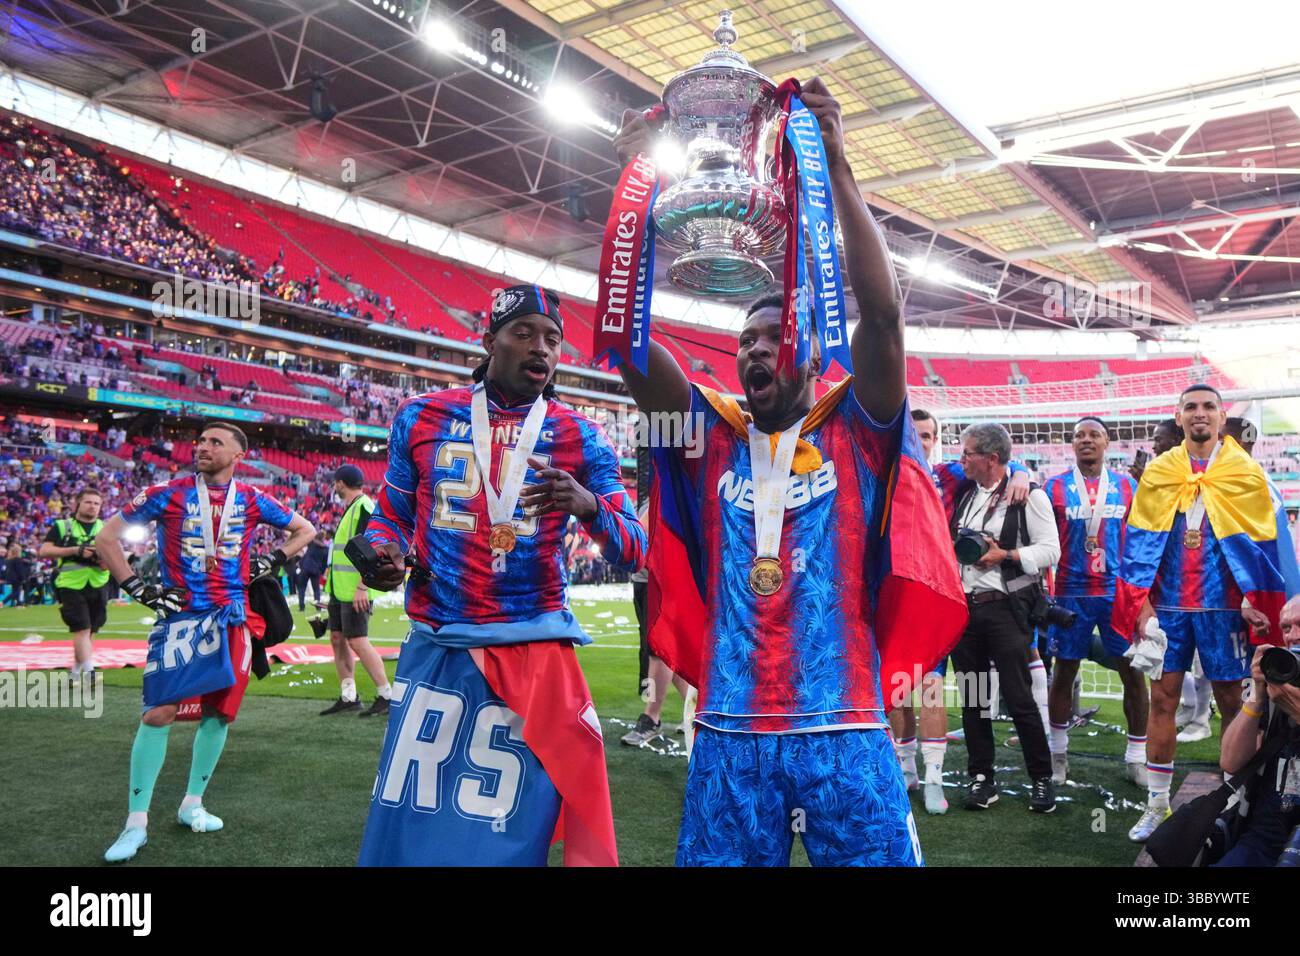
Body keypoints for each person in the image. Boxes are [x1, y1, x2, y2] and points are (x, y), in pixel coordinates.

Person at [614, 78, 966, 865]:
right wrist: (639, 187)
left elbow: (884, 319)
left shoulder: (858, 426)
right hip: (730, 732)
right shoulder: (709, 437)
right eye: (745, 341)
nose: (755, 350)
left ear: (810, 347)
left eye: (775, 336)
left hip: (845, 725)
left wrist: (836, 166)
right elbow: (630, 348)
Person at [355, 284, 645, 867]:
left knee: (517, 825)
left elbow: (635, 549)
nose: (541, 348)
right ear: (489, 342)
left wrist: (587, 505)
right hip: (441, 642)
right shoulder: (422, 415)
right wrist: (382, 556)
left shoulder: (582, 435)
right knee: (415, 822)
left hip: (536, 651)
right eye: (524, 333)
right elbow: (389, 518)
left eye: (553, 339)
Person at [95, 421, 315, 863]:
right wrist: (137, 587)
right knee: (159, 713)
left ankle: (192, 803)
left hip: (233, 619)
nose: (203, 447)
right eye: (201, 441)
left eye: (216, 443)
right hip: (180, 618)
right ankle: (135, 823)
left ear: (238, 455)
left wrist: (271, 559)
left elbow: (305, 530)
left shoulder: (252, 498)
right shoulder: (167, 492)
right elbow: (105, 537)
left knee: (218, 714)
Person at [1114, 385, 1287, 842]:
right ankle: (1156, 805)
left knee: (1237, 703)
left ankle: (1236, 801)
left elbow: (1258, 545)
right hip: (1168, 607)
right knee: (1163, 700)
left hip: (1225, 607)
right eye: (1190, 407)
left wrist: (1253, 596)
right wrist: (1143, 602)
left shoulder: (1242, 471)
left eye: (1208, 406)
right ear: (1179, 416)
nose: (1199, 414)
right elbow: (1138, 544)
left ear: (1221, 415)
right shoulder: (1159, 472)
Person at [949, 422, 1062, 812]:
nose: (961, 459)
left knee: (1019, 698)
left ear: (991, 459)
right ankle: (982, 778)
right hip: (966, 609)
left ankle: (1042, 779)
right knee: (974, 698)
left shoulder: (1028, 496)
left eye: (968, 453)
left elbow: (1051, 551)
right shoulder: (965, 494)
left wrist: (1007, 556)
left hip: (1005, 609)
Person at [1040, 418, 1147, 787]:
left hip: (1117, 594)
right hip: (1070, 592)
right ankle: (1058, 754)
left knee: (1132, 672)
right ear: (1072, 445)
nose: (1086, 441)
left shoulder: (1126, 485)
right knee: (1063, 672)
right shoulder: (1053, 486)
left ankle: (1136, 758)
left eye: (1093, 435)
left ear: (1106, 442)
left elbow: (1140, 539)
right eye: (1078, 436)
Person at [1210, 594, 1300, 866]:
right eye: (1286, 627)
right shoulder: (1278, 687)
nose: (1293, 636)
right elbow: (1231, 761)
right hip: (1267, 834)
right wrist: (1257, 696)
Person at [319, 464, 391, 717]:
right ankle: (349, 696)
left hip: (356, 590)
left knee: (358, 641)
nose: (333, 486)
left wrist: (363, 586)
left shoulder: (363, 508)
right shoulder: (354, 508)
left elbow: (373, 552)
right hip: (341, 590)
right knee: (337, 639)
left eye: (335, 482)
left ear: (340, 483)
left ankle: (386, 695)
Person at [38, 488, 110, 678]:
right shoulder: (62, 526)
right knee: (82, 628)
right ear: (77, 503)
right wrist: (76, 550)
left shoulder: (105, 527)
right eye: (88, 502)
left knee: (90, 631)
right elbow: (44, 551)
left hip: (98, 582)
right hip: (70, 583)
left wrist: (103, 561)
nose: (92, 506)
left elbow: (112, 557)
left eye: (96, 503)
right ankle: (89, 672)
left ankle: (75, 672)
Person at [296, 530, 328, 611]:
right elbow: (324, 563)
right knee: (316, 589)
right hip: (316, 570)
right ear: (323, 538)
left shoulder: (311, 544)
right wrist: (321, 571)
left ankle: (301, 607)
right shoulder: (325, 549)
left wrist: (301, 564)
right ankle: (318, 607)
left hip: (305, 568)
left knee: (302, 588)